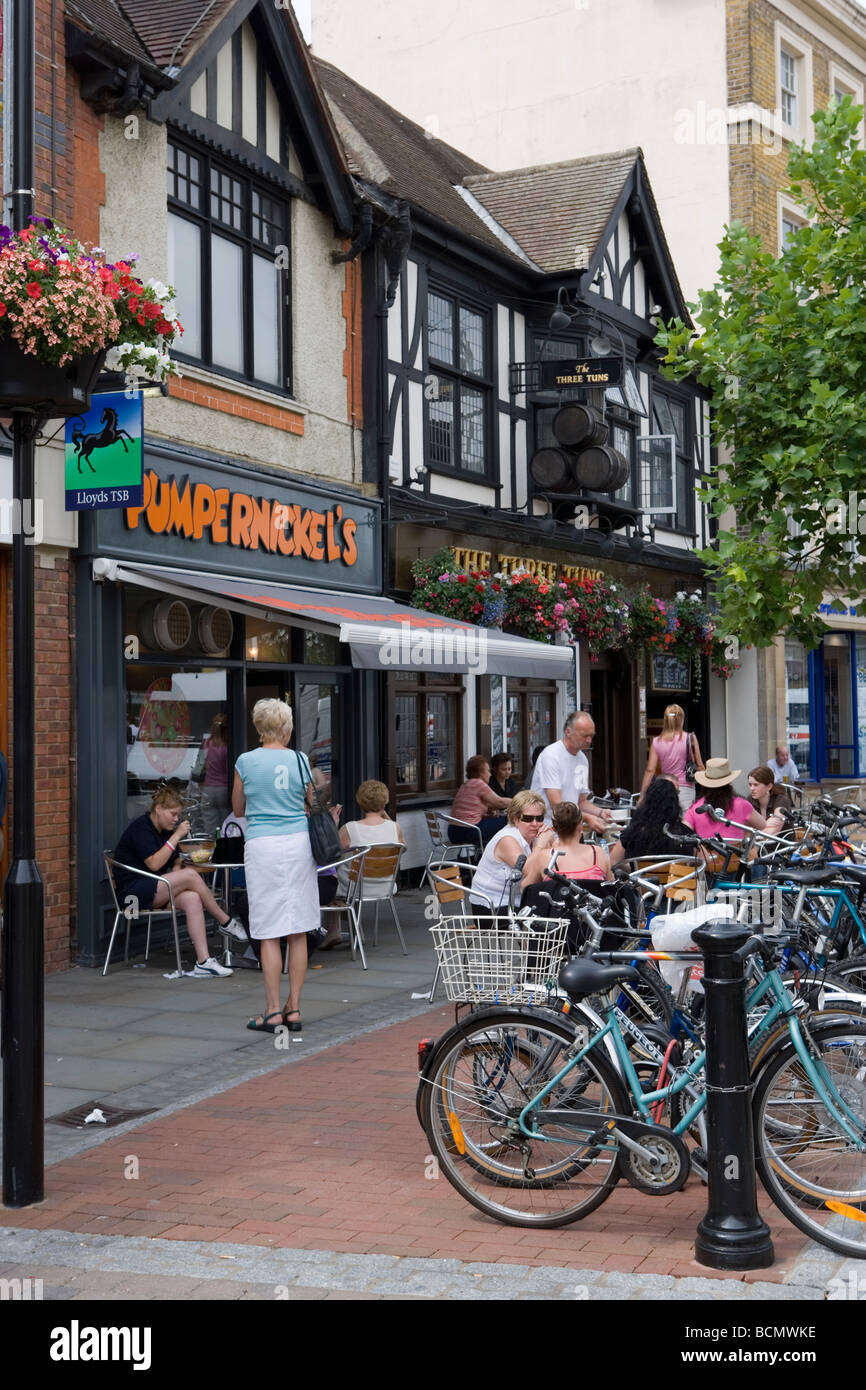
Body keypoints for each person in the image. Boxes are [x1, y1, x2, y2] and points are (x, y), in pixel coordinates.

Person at [232, 698, 322, 1033]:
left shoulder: (245, 761)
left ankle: (272, 1011)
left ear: (259, 726)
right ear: (285, 727)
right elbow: (309, 804)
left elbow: (238, 808)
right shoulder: (299, 760)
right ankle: (294, 1008)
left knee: (268, 929)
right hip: (297, 843)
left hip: (263, 845)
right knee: (298, 928)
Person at [112, 784, 241, 976]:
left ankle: (203, 961)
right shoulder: (141, 828)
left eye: (178, 814)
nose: (176, 819)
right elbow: (155, 864)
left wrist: (183, 868)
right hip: (133, 896)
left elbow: (177, 863)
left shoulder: (164, 830)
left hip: (155, 889)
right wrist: (177, 836)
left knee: (193, 898)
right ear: (158, 809)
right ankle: (225, 921)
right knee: (190, 876)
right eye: (172, 814)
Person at [323, 780, 404, 945]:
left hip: (355, 887)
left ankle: (333, 930)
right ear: (385, 801)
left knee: (332, 877)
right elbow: (403, 848)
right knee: (353, 873)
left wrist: (334, 824)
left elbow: (331, 853)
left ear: (359, 801)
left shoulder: (351, 828)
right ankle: (355, 929)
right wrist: (384, 814)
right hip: (385, 886)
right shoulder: (395, 828)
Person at [530, 712, 611, 834]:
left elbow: (581, 801)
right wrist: (588, 818)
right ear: (568, 732)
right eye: (584, 736)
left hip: (570, 827)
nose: (589, 740)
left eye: (591, 736)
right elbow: (557, 806)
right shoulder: (551, 755)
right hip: (547, 827)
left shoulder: (583, 759)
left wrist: (600, 812)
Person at [468, 790, 549, 911]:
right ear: (515, 819)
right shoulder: (507, 839)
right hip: (492, 906)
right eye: (528, 818)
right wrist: (542, 845)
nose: (535, 824)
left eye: (539, 818)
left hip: (518, 901)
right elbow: (527, 869)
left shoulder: (535, 837)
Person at [524, 800, 613, 886]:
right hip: (592, 900)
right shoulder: (598, 853)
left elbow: (525, 888)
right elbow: (612, 887)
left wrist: (540, 845)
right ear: (580, 826)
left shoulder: (545, 856)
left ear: (554, 828)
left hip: (558, 900)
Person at [638, 703, 704, 813]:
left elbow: (650, 770)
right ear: (681, 719)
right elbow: (700, 766)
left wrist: (642, 795)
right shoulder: (690, 738)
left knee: (666, 822)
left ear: (665, 720)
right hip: (685, 789)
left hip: (665, 789)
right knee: (685, 824)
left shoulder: (656, 741)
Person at [609, 776, 689, 866]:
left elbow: (612, 862)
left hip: (642, 879)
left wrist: (631, 870)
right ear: (675, 804)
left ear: (647, 802)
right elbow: (704, 860)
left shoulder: (633, 832)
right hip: (681, 879)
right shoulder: (685, 833)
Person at [683, 758, 767, 841]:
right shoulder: (742, 804)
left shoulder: (695, 808)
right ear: (729, 783)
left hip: (706, 853)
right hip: (735, 853)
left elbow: (684, 832)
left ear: (705, 784)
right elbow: (762, 825)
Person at [449, 754, 511, 846]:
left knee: (494, 823)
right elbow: (499, 802)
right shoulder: (478, 784)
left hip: (453, 832)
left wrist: (488, 814)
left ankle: (486, 852)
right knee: (509, 818)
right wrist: (521, 801)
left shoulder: (465, 785)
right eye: (487, 771)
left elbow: (470, 811)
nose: (490, 774)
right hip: (469, 831)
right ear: (480, 773)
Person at [199, 712, 230, 837]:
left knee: (210, 826)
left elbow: (200, 766)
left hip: (208, 789)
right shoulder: (227, 745)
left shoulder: (207, 743)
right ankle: (224, 850)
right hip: (224, 788)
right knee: (225, 823)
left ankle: (211, 849)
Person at [747, 766, 792, 834]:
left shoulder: (781, 799)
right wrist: (765, 824)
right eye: (750, 785)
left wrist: (754, 829)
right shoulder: (750, 800)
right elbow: (741, 828)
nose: (752, 788)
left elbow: (772, 832)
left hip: (782, 844)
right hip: (758, 844)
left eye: (756, 785)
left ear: (769, 786)